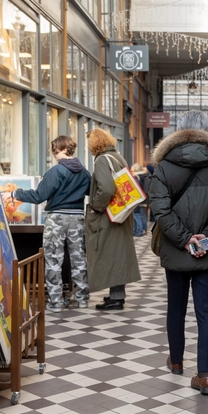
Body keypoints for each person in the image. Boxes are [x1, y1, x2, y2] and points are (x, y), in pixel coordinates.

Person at [149, 110, 208, 396]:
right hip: (207, 253)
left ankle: (176, 360)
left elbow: (160, 210)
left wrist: (185, 240)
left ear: (178, 131)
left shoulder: (163, 166)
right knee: (206, 311)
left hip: (176, 250)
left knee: (175, 307)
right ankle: (206, 375)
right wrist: (207, 238)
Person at [10, 135, 91, 312]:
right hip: (77, 218)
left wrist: (16, 193)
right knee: (79, 258)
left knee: (54, 260)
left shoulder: (57, 171)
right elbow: (91, 191)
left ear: (60, 149)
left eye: (55, 150)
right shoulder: (84, 172)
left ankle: (56, 301)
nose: (54, 154)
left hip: (57, 219)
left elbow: (39, 196)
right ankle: (82, 298)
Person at [86, 128, 141, 311]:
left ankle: (116, 299)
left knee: (109, 254)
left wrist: (95, 207)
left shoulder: (102, 160)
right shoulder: (118, 157)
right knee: (118, 254)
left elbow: (107, 189)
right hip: (121, 214)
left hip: (109, 216)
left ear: (94, 143)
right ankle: (117, 295)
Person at [131, 163, 150, 237]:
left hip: (137, 199)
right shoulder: (144, 176)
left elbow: (135, 189)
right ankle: (143, 229)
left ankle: (139, 230)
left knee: (136, 215)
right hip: (144, 198)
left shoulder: (136, 177)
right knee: (142, 215)